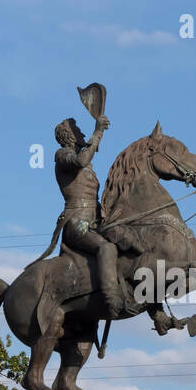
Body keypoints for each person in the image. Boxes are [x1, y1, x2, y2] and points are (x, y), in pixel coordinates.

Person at [52, 114, 125, 315]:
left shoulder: (87, 165)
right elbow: (82, 159)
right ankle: (111, 299)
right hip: (77, 222)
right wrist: (98, 132)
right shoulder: (62, 155)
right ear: (69, 136)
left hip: (95, 221)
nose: (82, 133)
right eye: (78, 131)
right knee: (106, 247)